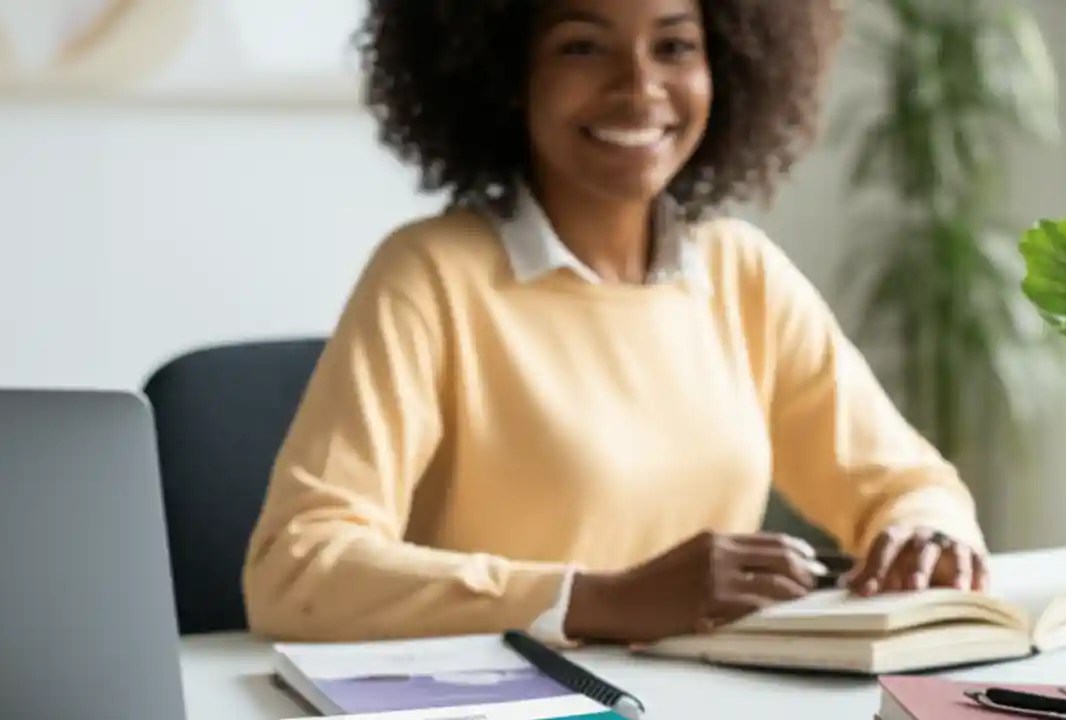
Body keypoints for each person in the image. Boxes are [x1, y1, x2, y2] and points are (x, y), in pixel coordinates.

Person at [242, 0, 989, 646]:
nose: (639, 88)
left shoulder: (740, 273)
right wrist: (595, 600)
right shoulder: (431, 276)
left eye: (674, 46)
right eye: (582, 46)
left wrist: (924, 531)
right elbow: (297, 566)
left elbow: (909, 483)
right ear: (505, 71)